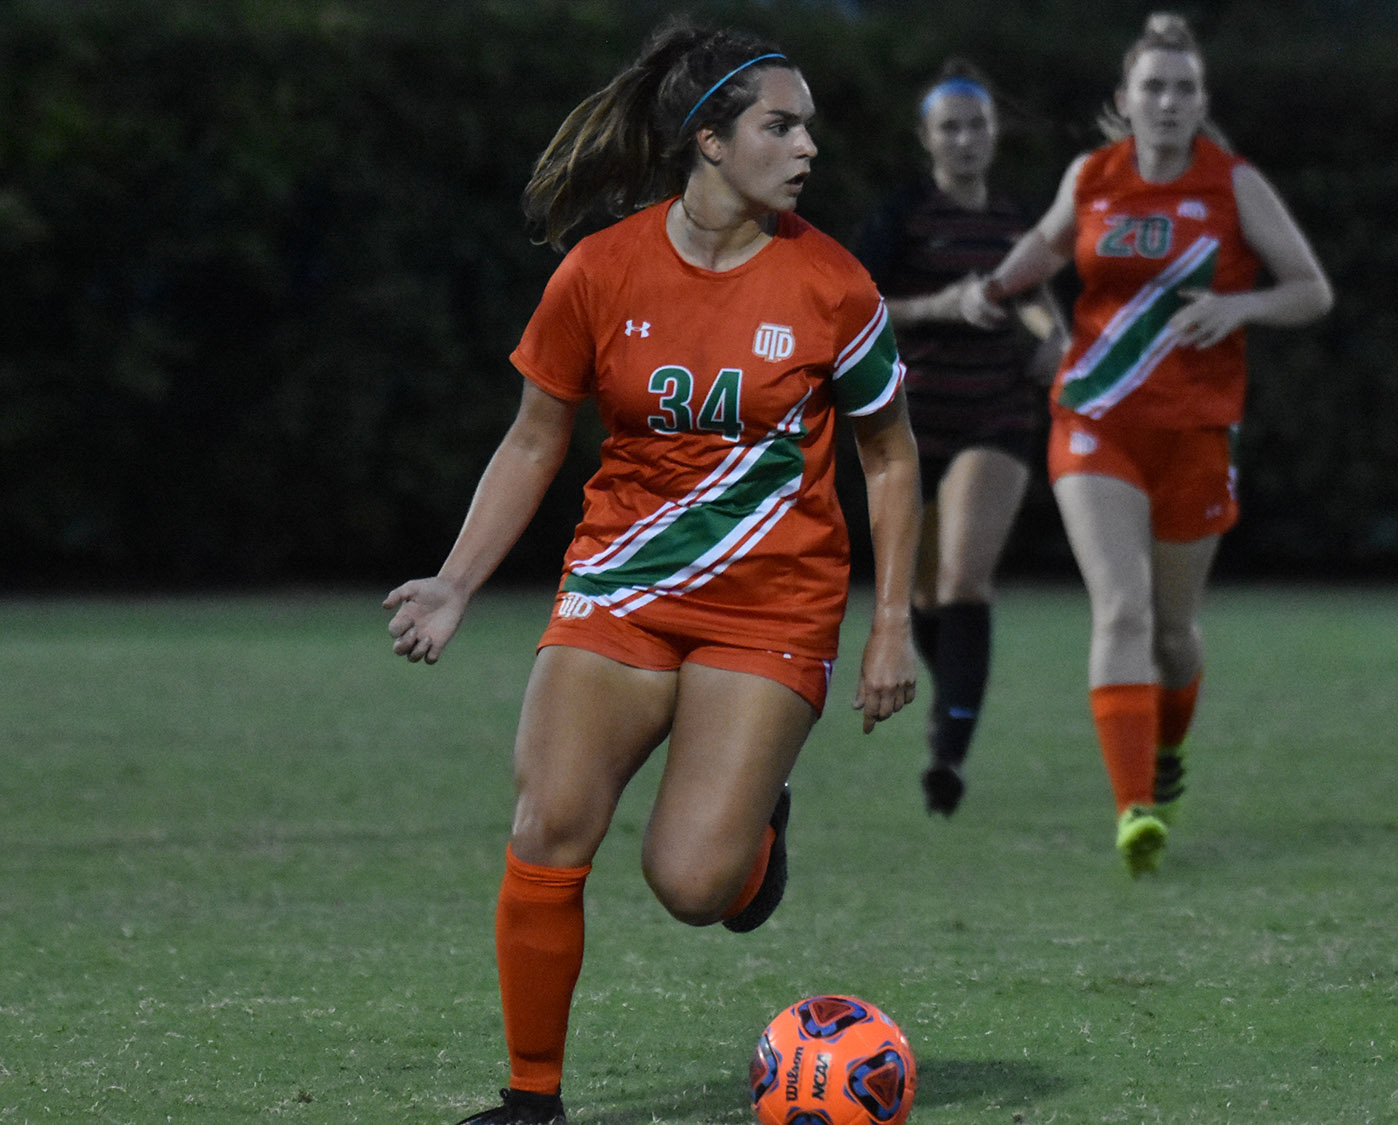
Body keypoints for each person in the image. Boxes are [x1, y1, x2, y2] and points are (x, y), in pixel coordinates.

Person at [382, 21, 920, 1125]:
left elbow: (891, 457)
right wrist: (454, 581)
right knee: (548, 825)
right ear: (709, 140)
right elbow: (534, 438)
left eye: (809, 127)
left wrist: (890, 624)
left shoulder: (834, 286)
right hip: (618, 592)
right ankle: (531, 1099)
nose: (808, 147)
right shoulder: (598, 271)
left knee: (691, 885)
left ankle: (755, 833)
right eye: (781, 125)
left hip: (769, 611)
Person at [972, 12, 1333, 876]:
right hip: (1094, 418)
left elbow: (1310, 290)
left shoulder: (1234, 185)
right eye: (1154, 87)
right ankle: (1135, 808)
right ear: (1125, 100)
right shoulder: (1093, 175)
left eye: (1184, 88)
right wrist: (993, 288)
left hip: (1195, 432)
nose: (1168, 102)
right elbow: (1047, 244)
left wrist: (1241, 306)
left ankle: (1169, 751)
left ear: (1201, 103)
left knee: (1173, 633)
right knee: (1122, 608)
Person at [849, 60, 1065, 817]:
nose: (965, 139)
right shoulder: (903, 215)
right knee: (923, 591)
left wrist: (1054, 337)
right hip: (909, 420)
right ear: (926, 137)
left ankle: (948, 752)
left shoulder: (1015, 217)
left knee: (965, 578)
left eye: (977, 126)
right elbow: (857, 307)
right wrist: (942, 304)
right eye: (950, 128)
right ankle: (954, 702)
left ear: (993, 132)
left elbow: (1032, 293)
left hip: (996, 412)